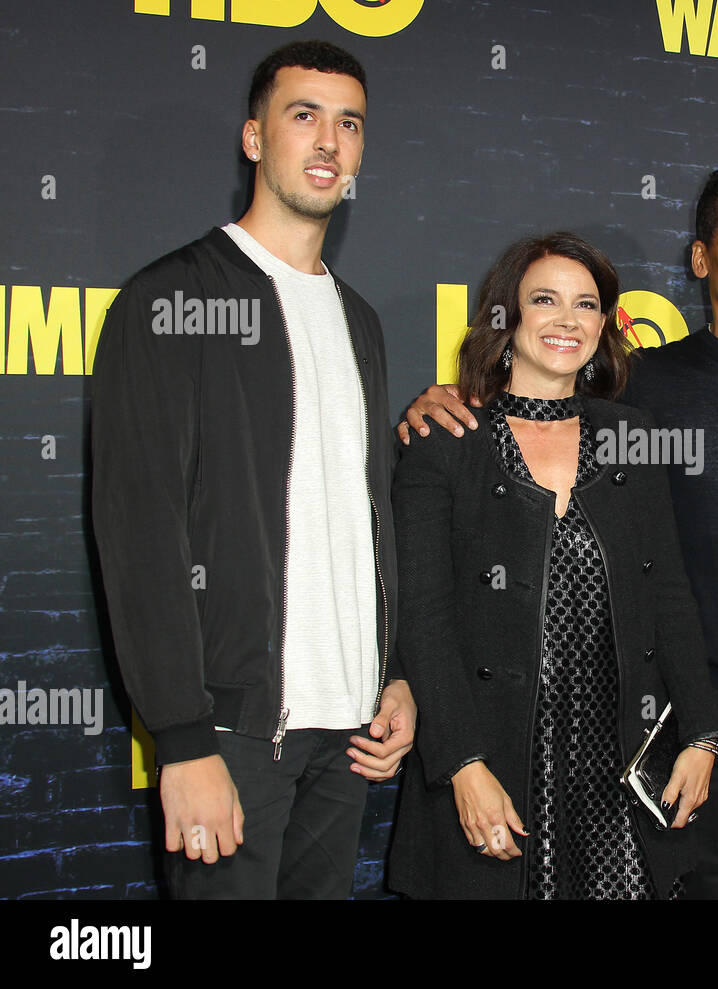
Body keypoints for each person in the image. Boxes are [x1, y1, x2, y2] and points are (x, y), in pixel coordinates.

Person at [400, 161, 718, 900]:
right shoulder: (645, 393)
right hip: (673, 738)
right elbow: (430, 600)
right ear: (704, 258)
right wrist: (450, 397)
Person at [91, 40, 415, 899]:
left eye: (348, 123)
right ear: (253, 138)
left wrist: (393, 672)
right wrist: (183, 739)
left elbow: (364, 517)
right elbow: (139, 532)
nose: (328, 141)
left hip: (347, 737)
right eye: (303, 115)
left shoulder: (362, 321)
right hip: (231, 736)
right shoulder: (171, 300)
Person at [386, 232, 718, 900]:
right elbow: (424, 620)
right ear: (506, 315)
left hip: (617, 769)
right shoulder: (445, 441)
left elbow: (670, 597)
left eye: (587, 304)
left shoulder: (632, 436)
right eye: (544, 299)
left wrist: (703, 734)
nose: (567, 319)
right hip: (496, 764)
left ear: (605, 324)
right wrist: (462, 763)